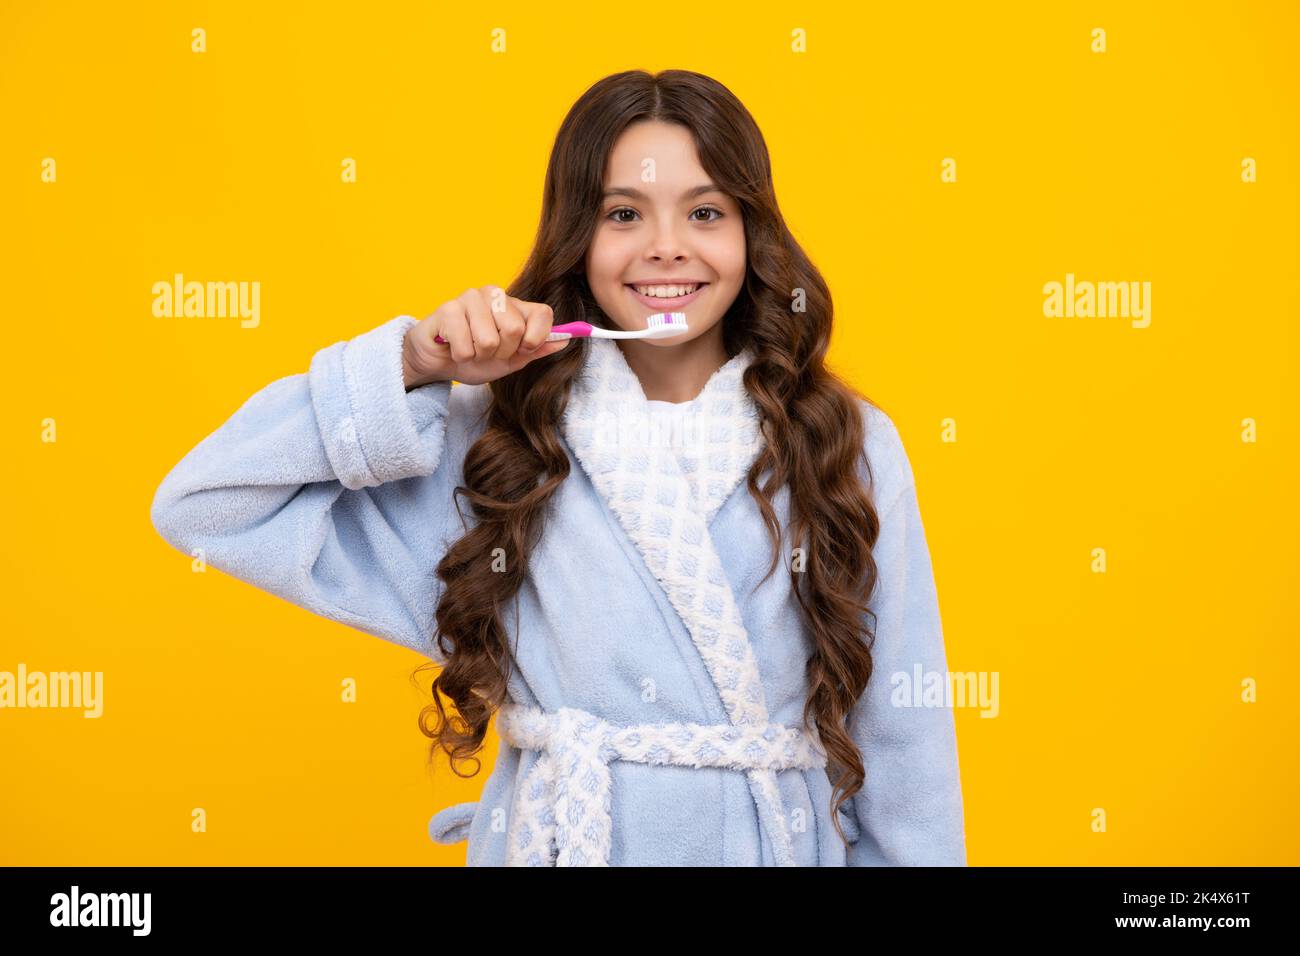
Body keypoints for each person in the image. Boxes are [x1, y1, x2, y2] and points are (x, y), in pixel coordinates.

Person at [150, 68, 966, 866]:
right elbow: (207, 505)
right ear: (578, 238)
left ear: (753, 234)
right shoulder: (499, 443)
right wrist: (411, 364)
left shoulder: (844, 444)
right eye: (623, 213)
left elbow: (905, 742)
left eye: (707, 211)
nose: (667, 248)